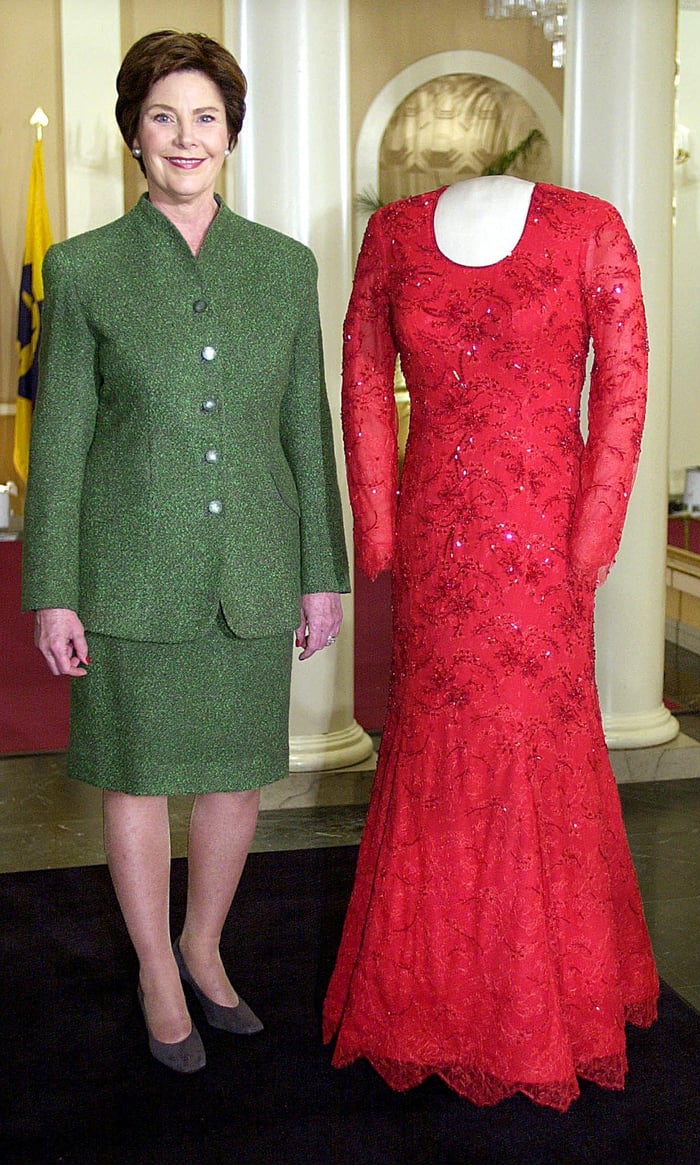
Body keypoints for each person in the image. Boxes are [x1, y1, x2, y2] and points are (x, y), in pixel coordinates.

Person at [22, 30, 349, 1074]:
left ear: (231, 134)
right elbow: (59, 444)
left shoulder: (284, 267)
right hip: (127, 574)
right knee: (134, 781)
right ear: (134, 132)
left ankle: (202, 947)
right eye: (162, 116)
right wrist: (52, 590)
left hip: (252, 566)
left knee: (235, 779)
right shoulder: (82, 269)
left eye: (205, 116)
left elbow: (306, 430)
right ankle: (155, 973)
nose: (184, 136)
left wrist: (320, 572)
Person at [323, 174, 659, 1111]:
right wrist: (377, 522)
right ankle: (431, 998)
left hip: (545, 537)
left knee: (536, 738)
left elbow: (625, 388)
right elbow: (361, 377)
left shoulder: (589, 229)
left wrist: (595, 531)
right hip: (437, 531)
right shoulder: (394, 236)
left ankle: (546, 999)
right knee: (433, 737)